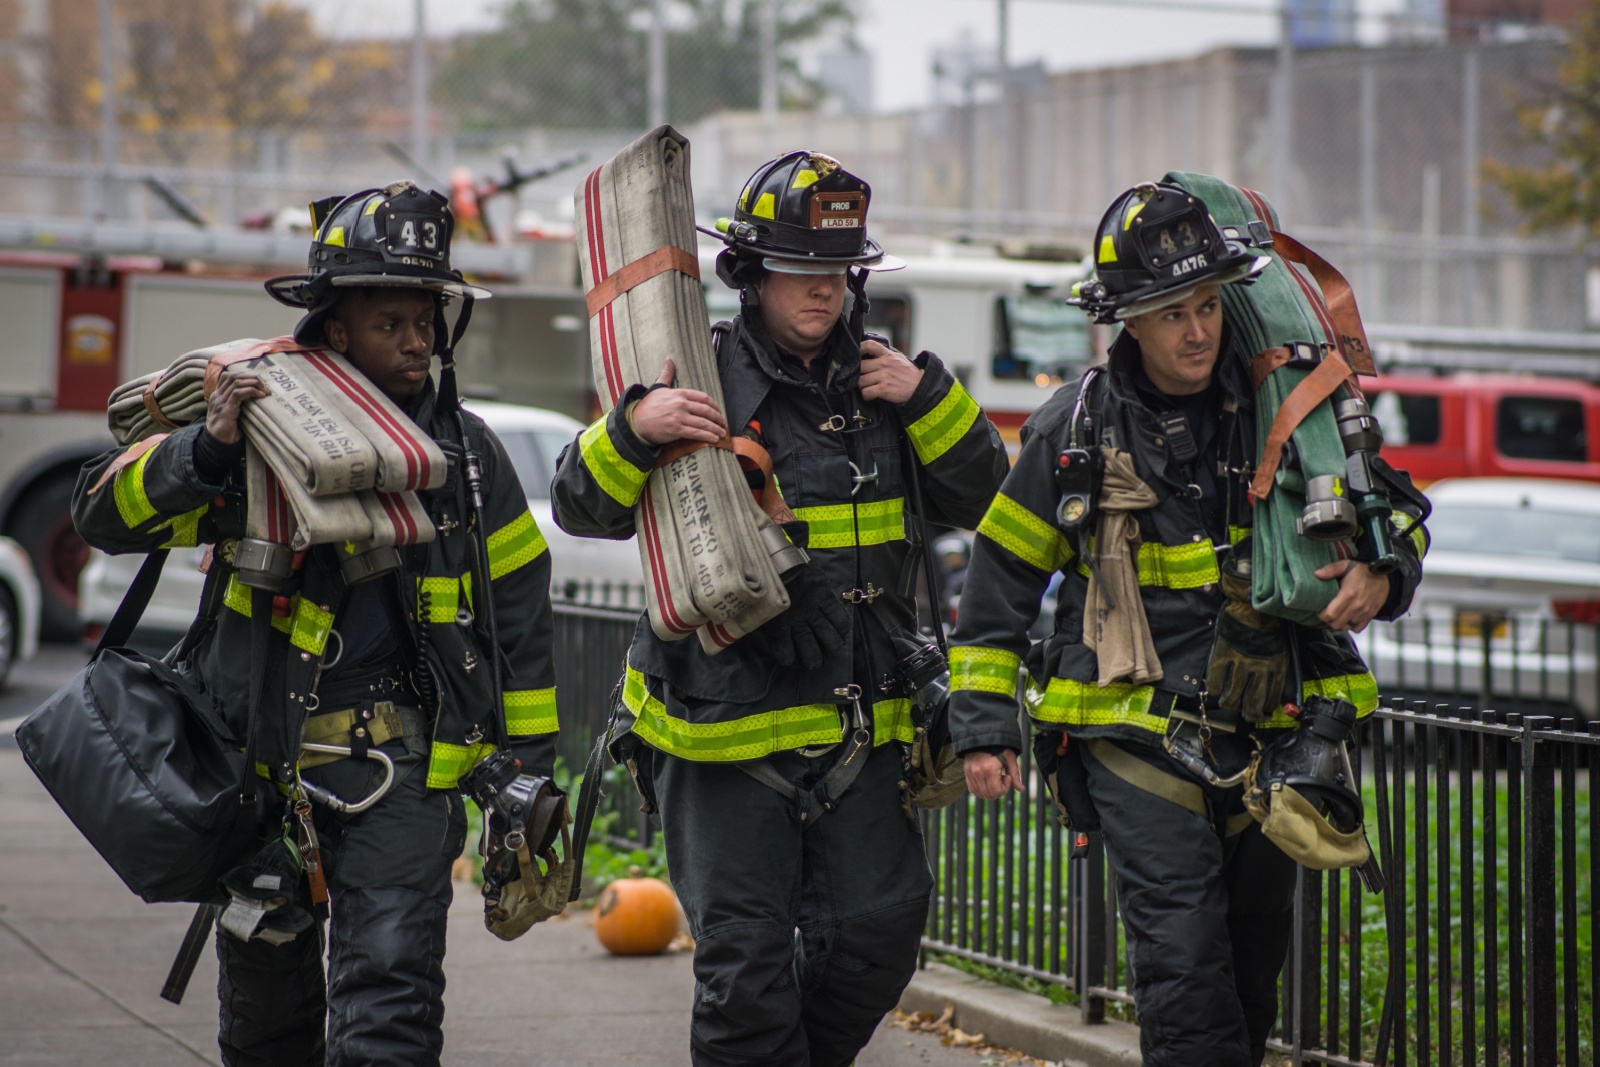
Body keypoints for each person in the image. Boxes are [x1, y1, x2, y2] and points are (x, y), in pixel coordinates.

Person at [71, 181, 561, 1067]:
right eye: (390, 322)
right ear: (334, 329)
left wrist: (527, 776)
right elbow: (101, 517)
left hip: (403, 779)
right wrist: (207, 453)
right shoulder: (253, 434)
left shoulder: (470, 459)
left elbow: (520, 620)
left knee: (391, 1015)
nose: (415, 341)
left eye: (428, 319)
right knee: (266, 1027)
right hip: (264, 776)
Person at [946, 182, 1428, 1067]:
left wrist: (1381, 571)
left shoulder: (1294, 412)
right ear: (1127, 319)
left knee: (1250, 973)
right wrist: (982, 726)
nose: (1197, 331)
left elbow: (1396, 520)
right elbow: (998, 584)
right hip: (1136, 740)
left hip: (1271, 742)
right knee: (1182, 965)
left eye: (1208, 305)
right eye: (1172, 313)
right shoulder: (1074, 428)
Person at [551, 150, 1009, 1067]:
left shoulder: (892, 387)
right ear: (752, 274)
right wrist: (633, 432)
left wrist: (933, 403)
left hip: (863, 734)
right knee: (746, 969)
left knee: (881, 933)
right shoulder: (695, 378)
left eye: (838, 272)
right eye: (802, 271)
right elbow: (578, 506)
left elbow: (992, 503)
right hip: (723, 737)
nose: (823, 291)